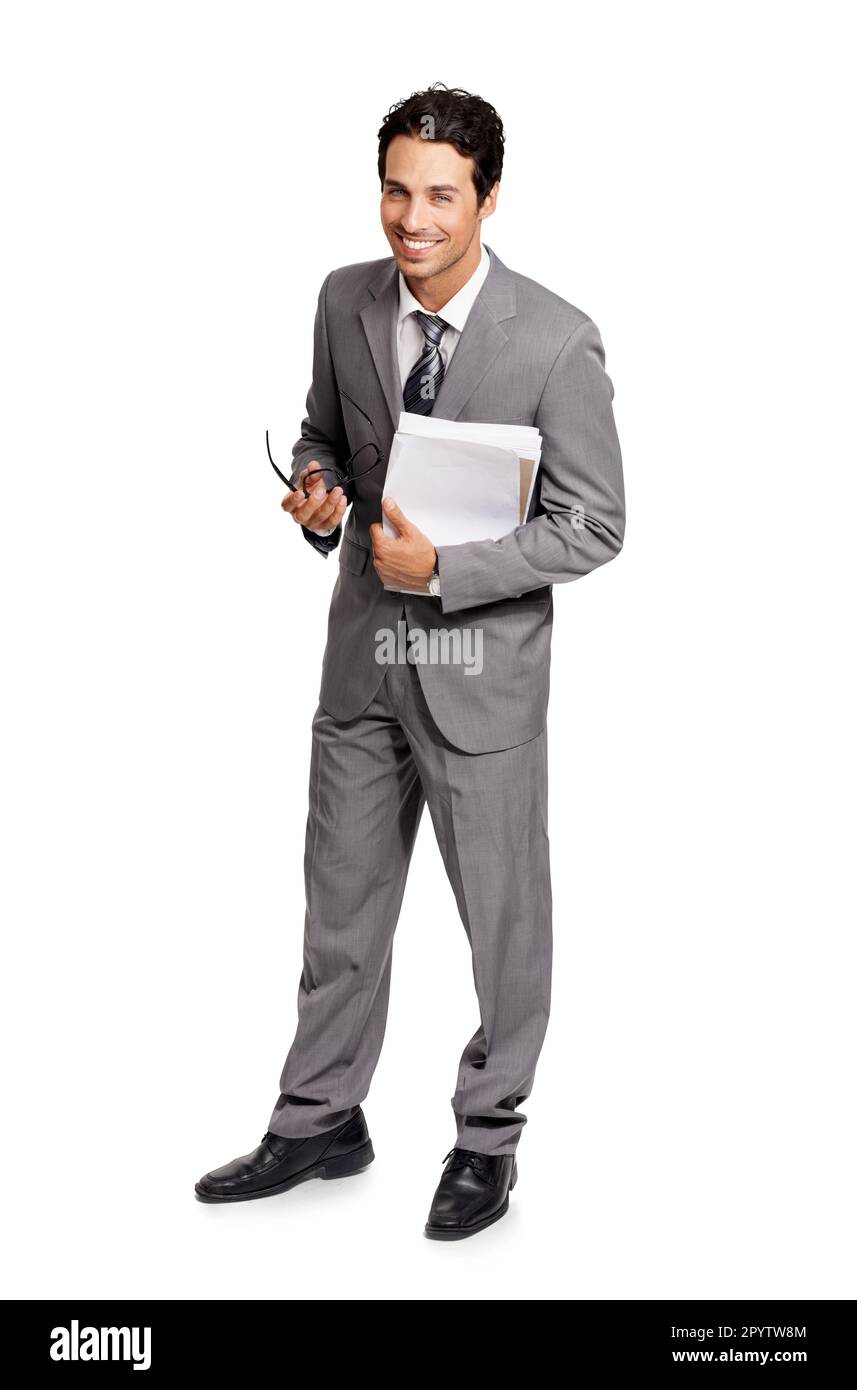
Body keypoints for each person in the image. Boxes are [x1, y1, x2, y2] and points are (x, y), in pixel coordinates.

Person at [195, 83, 625, 1240]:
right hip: (361, 663)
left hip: (481, 674)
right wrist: (318, 494)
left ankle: (488, 1137)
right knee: (337, 909)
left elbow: (594, 523)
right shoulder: (343, 300)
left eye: (440, 193)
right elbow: (325, 429)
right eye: (395, 188)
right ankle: (320, 1114)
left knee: (502, 923)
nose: (412, 217)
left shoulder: (553, 338)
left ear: (488, 197)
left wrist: (446, 567)